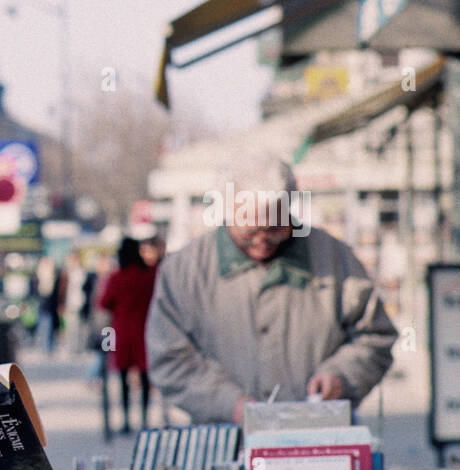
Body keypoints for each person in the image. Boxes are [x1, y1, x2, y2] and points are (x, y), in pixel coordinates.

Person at [146, 156, 397, 424]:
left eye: (275, 228)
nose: (263, 241)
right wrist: (228, 403)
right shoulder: (185, 271)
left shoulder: (335, 259)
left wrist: (341, 376)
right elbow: (169, 358)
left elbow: (374, 337)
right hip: (226, 439)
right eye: (250, 231)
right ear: (228, 211)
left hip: (319, 434)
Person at [98, 237, 157, 433]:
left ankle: (125, 420)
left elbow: (104, 303)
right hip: (145, 331)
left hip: (121, 331)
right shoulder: (149, 276)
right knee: (145, 375)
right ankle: (145, 418)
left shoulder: (117, 277)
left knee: (123, 376)